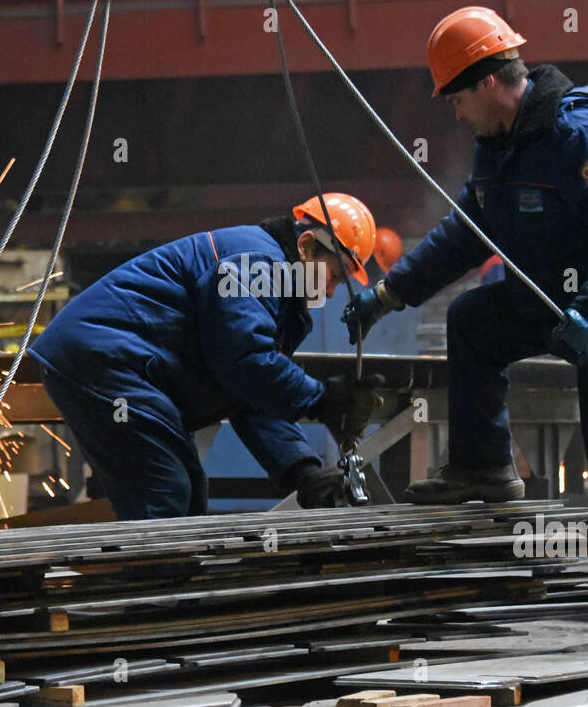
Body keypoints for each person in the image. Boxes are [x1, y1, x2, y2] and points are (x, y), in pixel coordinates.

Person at [343, 7, 588, 653]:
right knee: (473, 318)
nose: (454, 113)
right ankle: (484, 465)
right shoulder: (497, 148)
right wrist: (390, 292)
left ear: (488, 83)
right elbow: (463, 236)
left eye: (456, 98)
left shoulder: (578, 133)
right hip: (557, 300)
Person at [28, 194, 383, 521]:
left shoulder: (270, 275)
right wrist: (321, 400)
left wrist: (303, 470)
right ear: (306, 246)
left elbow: (250, 392)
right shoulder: (255, 262)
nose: (333, 291)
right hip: (101, 357)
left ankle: (166, 579)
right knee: (162, 488)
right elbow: (245, 362)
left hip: (113, 361)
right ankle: (156, 583)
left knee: (189, 491)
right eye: (335, 275)